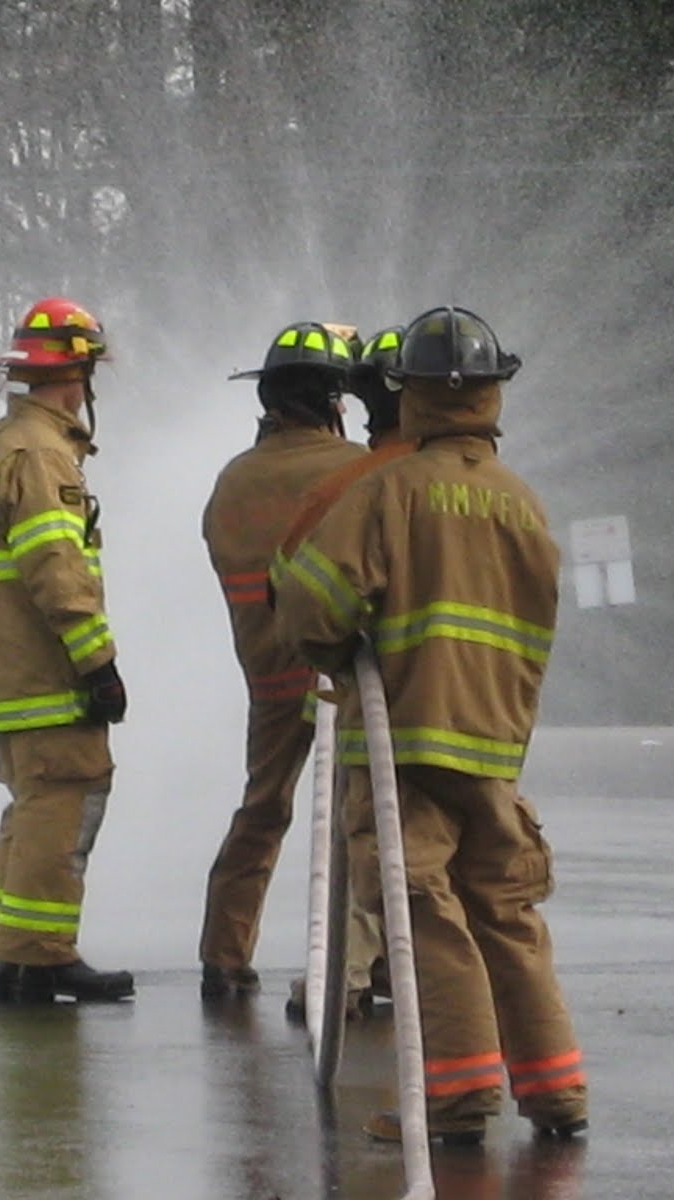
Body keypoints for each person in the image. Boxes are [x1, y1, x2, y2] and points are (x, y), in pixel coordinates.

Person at [273, 306, 588, 1144]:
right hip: (495, 743)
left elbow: (312, 604)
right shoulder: (522, 503)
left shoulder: (390, 490)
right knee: (507, 911)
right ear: (490, 393)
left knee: (422, 912)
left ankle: (457, 1097)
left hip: (405, 739)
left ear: (407, 394)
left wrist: (340, 656)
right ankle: (558, 1091)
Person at [0, 296, 134, 1005]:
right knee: (63, 801)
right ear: (76, 372)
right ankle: (39, 955)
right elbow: (57, 566)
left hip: (11, 670)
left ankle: (9, 952)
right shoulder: (40, 454)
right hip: (47, 670)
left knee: (34, 806)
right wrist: (98, 662)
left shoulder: (3, 447)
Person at [199, 320, 365, 999]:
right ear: (332, 399)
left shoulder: (232, 480)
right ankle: (362, 963)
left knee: (263, 807)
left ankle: (223, 953)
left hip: (269, 670)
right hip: (346, 673)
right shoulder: (357, 470)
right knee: (364, 814)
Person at [273, 325, 414, 1022]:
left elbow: (292, 588)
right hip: (479, 715)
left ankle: (349, 973)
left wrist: (329, 655)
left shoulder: (352, 487)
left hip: (376, 704)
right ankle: (430, 979)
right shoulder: (494, 489)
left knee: (374, 840)